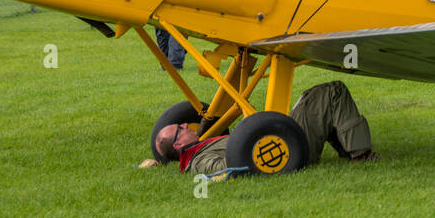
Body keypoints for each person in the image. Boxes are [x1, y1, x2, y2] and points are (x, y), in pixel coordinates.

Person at [141, 81, 378, 174]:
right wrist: (248, 131)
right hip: (284, 149)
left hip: (274, 136)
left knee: (311, 96)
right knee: (332, 92)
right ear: (179, 144)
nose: (184, 124)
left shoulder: (196, 147)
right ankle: (361, 155)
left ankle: (346, 146)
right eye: (180, 128)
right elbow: (228, 169)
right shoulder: (197, 162)